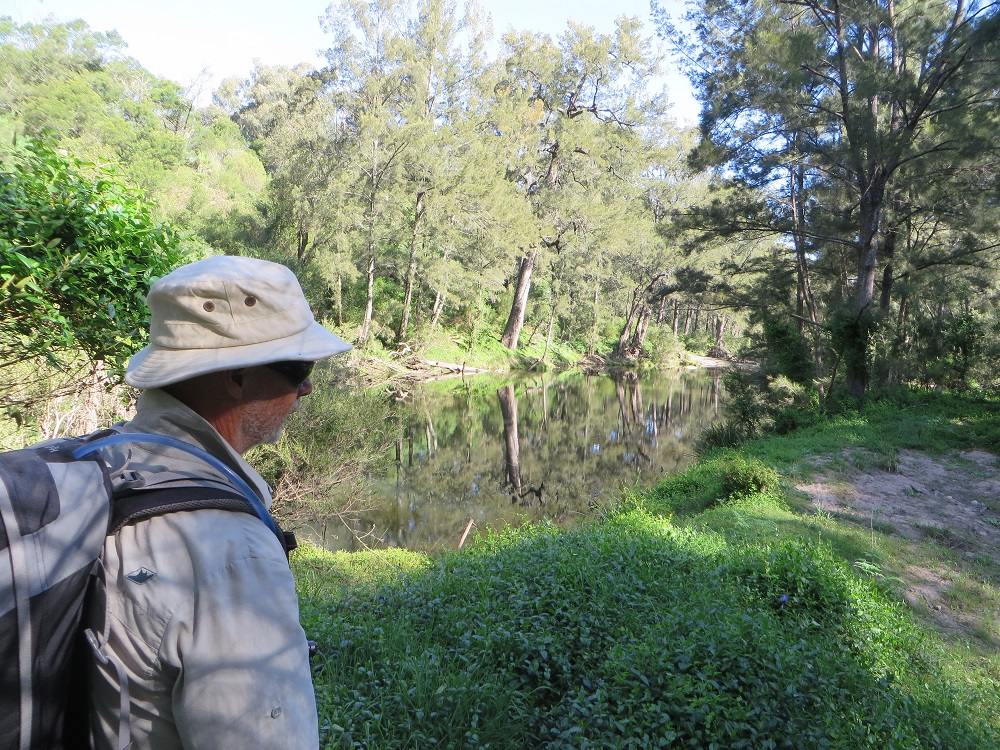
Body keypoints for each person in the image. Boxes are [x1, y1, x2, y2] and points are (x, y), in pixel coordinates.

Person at [87, 255, 351, 749]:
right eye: (299, 369)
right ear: (238, 376)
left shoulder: (103, 458)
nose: (307, 386)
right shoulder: (233, 553)